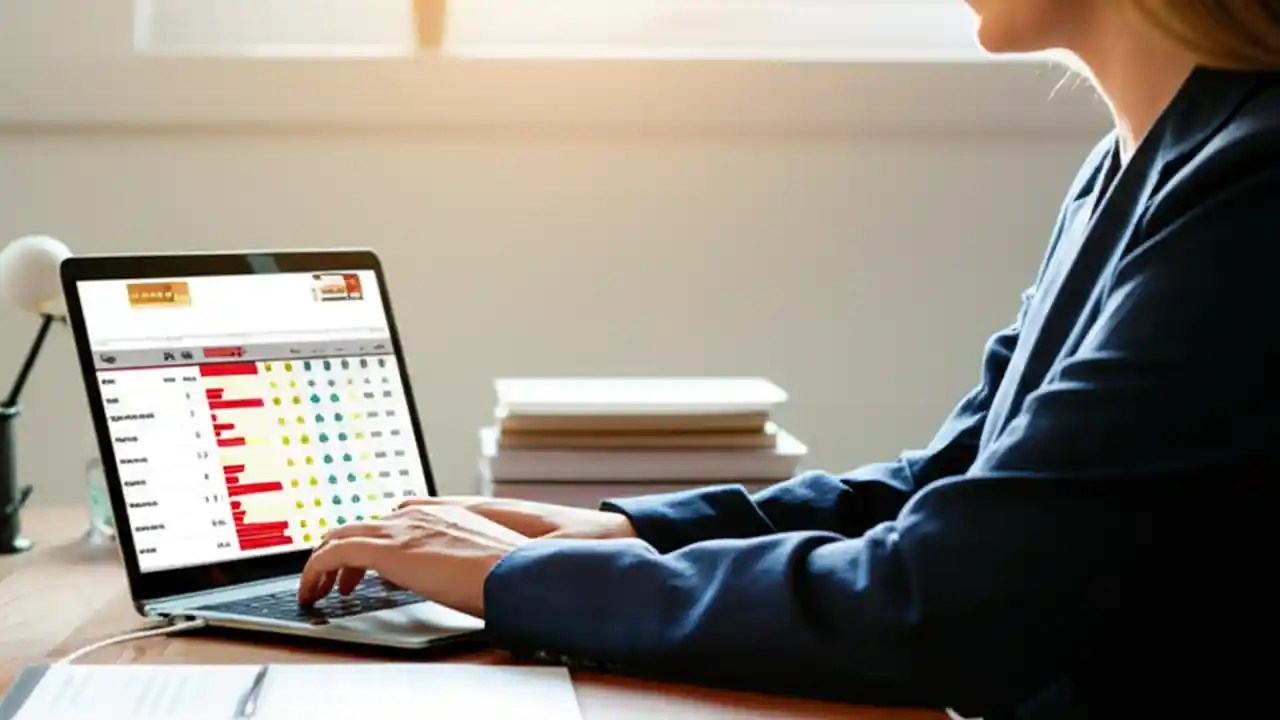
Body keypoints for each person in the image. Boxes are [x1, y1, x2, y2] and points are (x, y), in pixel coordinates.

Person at [298, 1, 1279, 717]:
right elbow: (947, 489)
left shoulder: (1248, 193)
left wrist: (518, 579)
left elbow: (935, 603)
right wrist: (616, 534)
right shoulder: (1134, 166)